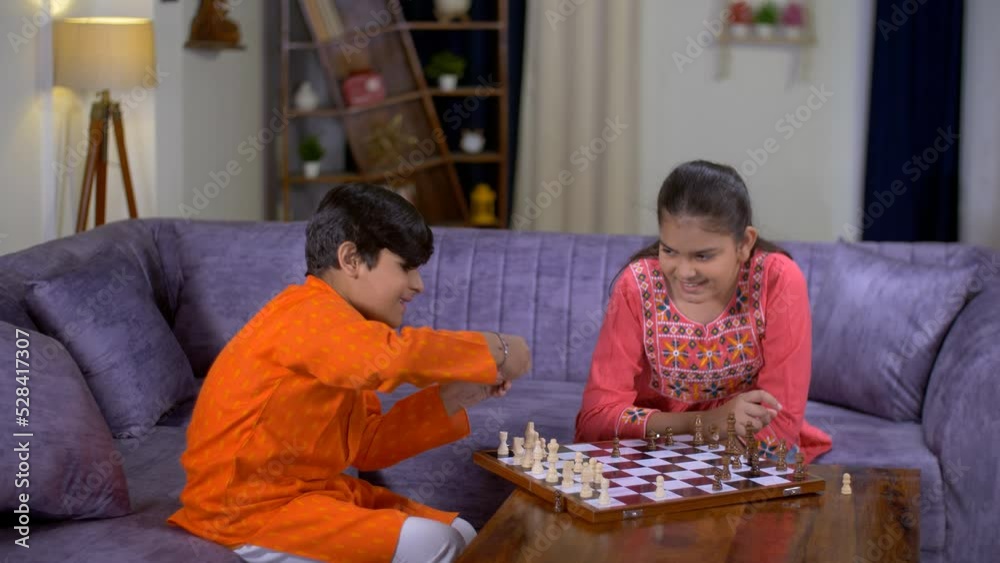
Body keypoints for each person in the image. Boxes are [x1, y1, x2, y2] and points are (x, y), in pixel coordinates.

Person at [168, 184, 532, 563]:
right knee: (439, 543)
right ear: (351, 259)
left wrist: (455, 395)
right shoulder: (308, 314)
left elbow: (369, 446)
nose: (418, 285)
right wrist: (497, 349)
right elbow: (389, 360)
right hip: (246, 512)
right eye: (405, 267)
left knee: (463, 532)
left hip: (310, 496)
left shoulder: (348, 332)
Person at [575, 160, 831, 463]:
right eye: (669, 250)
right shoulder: (636, 285)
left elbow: (779, 422)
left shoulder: (778, 280)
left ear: (744, 244)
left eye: (703, 255)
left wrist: (705, 472)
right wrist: (705, 425)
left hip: (744, 457)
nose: (684, 272)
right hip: (653, 456)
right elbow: (597, 419)